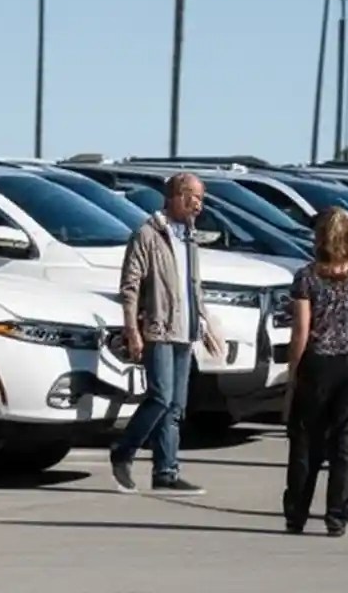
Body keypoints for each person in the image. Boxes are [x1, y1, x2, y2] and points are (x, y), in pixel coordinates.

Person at [111, 172, 221, 496]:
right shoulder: (146, 235)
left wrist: (204, 322)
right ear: (174, 196)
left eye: (201, 198)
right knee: (159, 397)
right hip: (158, 328)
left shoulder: (190, 237)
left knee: (176, 406)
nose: (197, 204)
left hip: (184, 330)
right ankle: (124, 451)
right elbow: (129, 287)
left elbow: (194, 286)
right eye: (192, 197)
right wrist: (132, 330)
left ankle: (166, 472)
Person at [281, 208, 348, 537]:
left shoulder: (307, 276)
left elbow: (301, 331)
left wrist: (293, 375)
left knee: (306, 441)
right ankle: (337, 515)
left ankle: (296, 513)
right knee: (344, 442)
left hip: (317, 362)